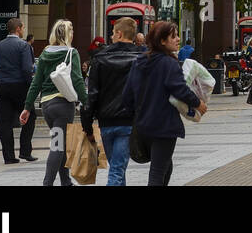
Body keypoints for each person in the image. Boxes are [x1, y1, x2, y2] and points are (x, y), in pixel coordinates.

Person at [122, 20, 206, 186]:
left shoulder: (139, 62)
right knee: (157, 174)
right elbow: (180, 90)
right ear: (162, 41)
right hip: (164, 126)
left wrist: (135, 116)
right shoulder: (169, 63)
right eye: (173, 36)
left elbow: (127, 96)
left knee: (165, 165)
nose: (178, 40)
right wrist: (198, 104)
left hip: (142, 126)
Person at [20, 19, 89, 186]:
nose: (73, 35)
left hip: (47, 106)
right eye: (71, 32)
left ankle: (66, 181)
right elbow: (78, 81)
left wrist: (27, 107)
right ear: (67, 34)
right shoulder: (71, 53)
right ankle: (47, 183)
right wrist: (87, 102)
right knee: (58, 146)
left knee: (61, 142)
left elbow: (36, 83)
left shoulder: (45, 53)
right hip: (63, 106)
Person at [81, 16, 142, 185]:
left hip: (106, 121)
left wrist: (87, 125)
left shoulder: (100, 59)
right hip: (129, 120)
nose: (111, 37)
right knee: (118, 168)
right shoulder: (142, 58)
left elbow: (91, 94)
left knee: (116, 167)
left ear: (119, 34)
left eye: (113, 34)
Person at [0, 18, 38, 164]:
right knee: (30, 116)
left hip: (2, 86)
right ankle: (25, 151)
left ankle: (8, 156)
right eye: (23, 28)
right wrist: (31, 86)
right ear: (18, 28)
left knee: (5, 122)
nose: (24, 30)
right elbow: (27, 69)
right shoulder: (23, 46)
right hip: (19, 86)